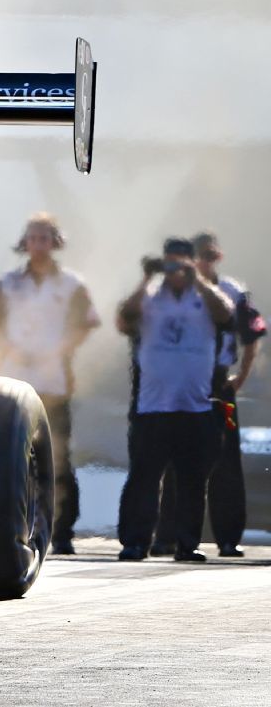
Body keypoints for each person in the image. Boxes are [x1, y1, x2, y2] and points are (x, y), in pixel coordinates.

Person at [0, 213, 100, 555]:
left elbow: (86, 324)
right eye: (33, 238)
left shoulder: (71, 284)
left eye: (45, 237)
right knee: (10, 457)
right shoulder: (7, 282)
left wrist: (59, 350)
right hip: (13, 379)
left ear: (55, 242)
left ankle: (62, 531)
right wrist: (10, 350)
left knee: (57, 457)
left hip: (53, 380)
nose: (39, 244)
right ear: (24, 242)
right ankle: (8, 526)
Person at [116, 237, 232, 562]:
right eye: (171, 263)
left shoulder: (206, 297)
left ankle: (187, 543)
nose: (176, 270)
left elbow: (225, 315)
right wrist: (145, 278)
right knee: (143, 476)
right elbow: (124, 319)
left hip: (194, 404)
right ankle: (135, 541)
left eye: (182, 263)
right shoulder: (151, 296)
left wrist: (200, 280)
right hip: (153, 404)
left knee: (192, 480)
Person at [152, 232, 265, 557]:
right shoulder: (172, 292)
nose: (206, 262)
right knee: (176, 460)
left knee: (226, 460)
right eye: (201, 256)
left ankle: (228, 538)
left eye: (212, 256)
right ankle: (167, 536)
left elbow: (253, 333)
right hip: (181, 381)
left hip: (218, 383)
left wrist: (241, 376)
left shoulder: (233, 291)